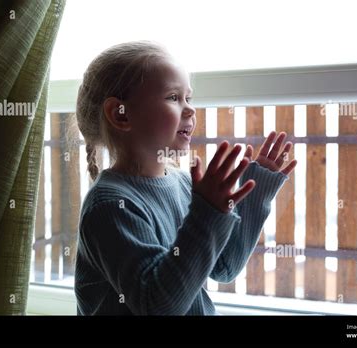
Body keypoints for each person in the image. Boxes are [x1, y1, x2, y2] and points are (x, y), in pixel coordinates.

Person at [74, 40, 297, 315]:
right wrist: (207, 214)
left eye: (188, 98)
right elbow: (157, 306)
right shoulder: (110, 206)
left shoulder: (184, 184)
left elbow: (224, 266)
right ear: (120, 114)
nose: (190, 110)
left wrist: (257, 193)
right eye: (173, 97)